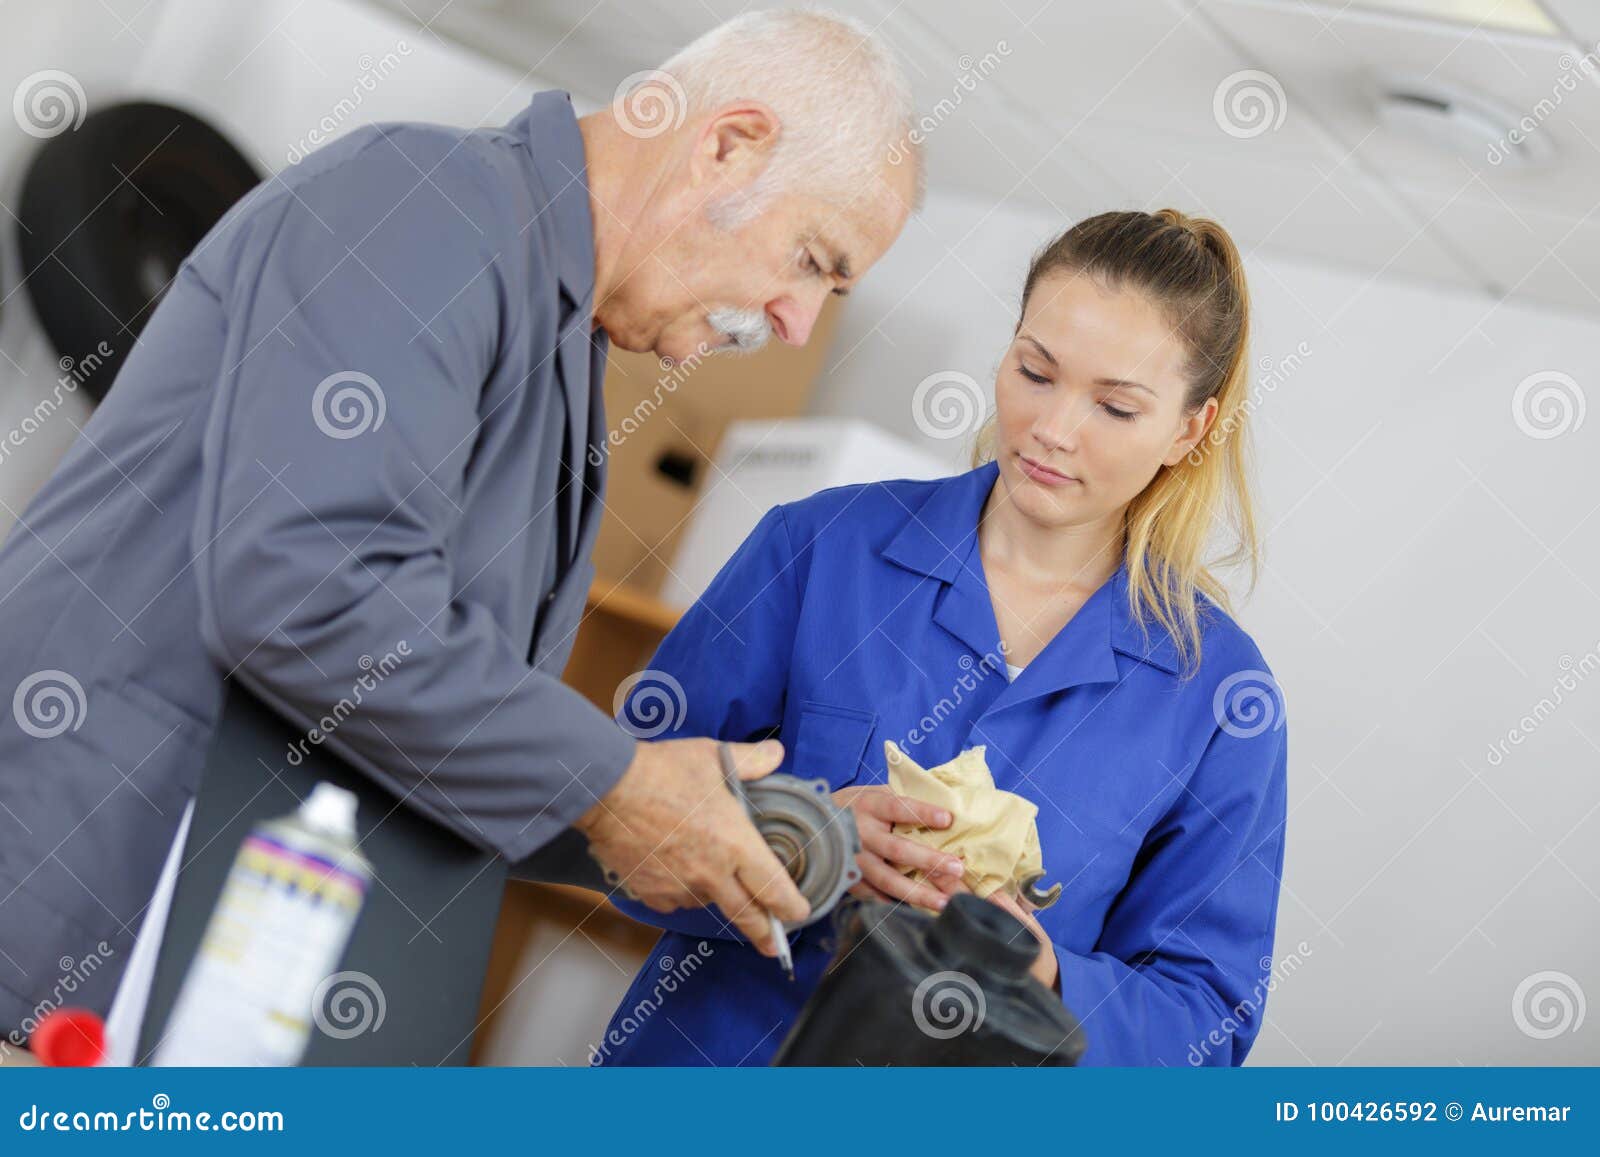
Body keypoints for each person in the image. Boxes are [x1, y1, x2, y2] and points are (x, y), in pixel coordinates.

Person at [0, 8, 922, 1041]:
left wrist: (716, 828)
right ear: (726, 142)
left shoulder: (559, 334)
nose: (798, 321)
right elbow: (308, 589)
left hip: (191, 953)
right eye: (812, 259)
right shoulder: (423, 206)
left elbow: (420, 712)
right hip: (65, 909)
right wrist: (617, 786)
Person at [595, 209, 1289, 1067]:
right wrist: (798, 839)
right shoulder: (821, 546)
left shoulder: (1219, 696)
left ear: (1189, 429)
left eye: (1115, 406)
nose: (1053, 428)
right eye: (1035, 371)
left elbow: (1205, 1024)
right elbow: (613, 818)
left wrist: (1041, 969)